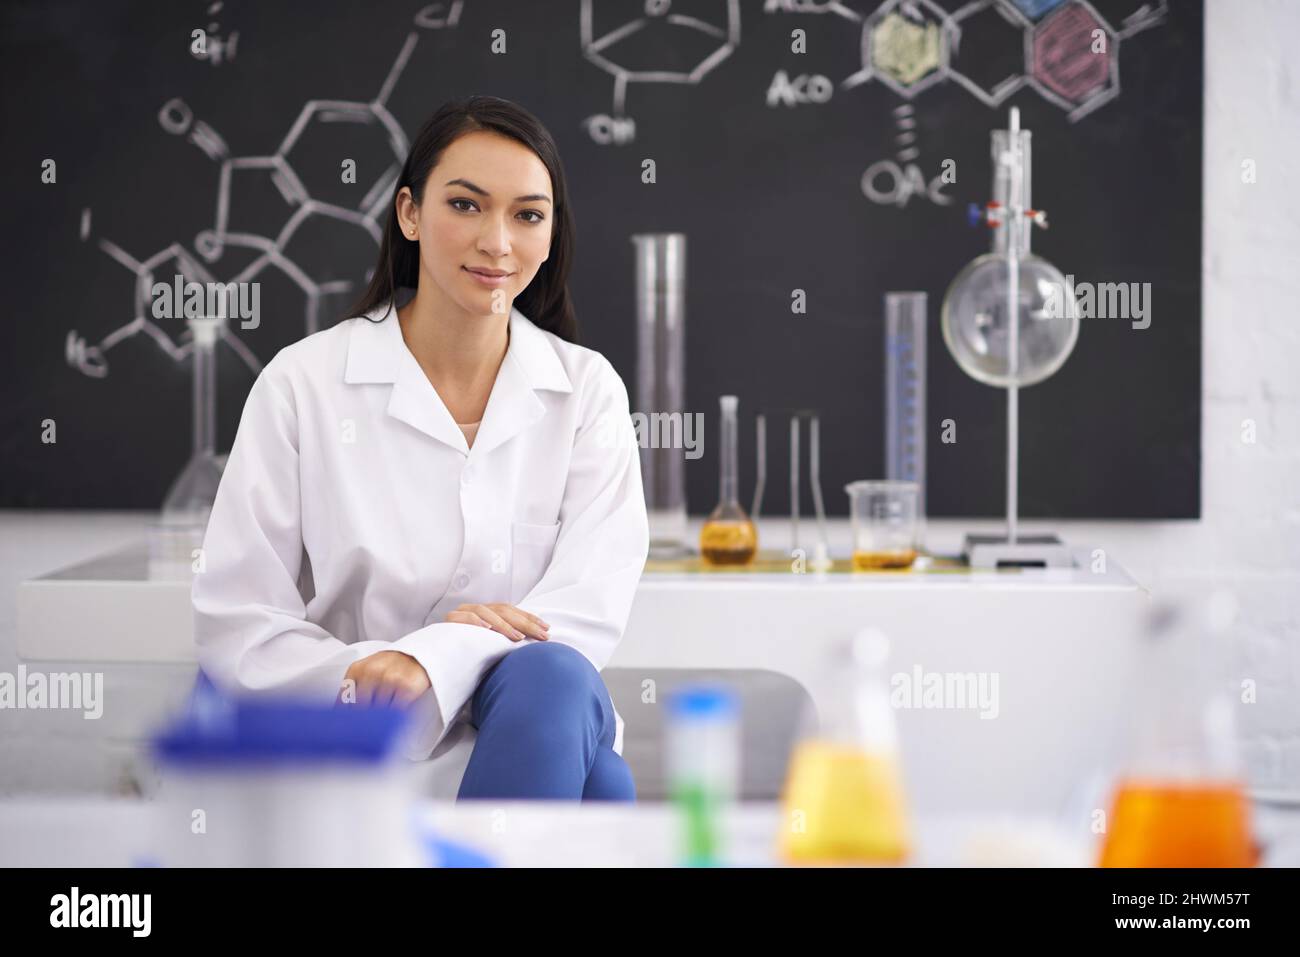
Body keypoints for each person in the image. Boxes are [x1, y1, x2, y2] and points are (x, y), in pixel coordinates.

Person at [192, 95, 649, 801]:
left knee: (552, 677)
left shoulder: (586, 391)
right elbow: (239, 619)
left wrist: (430, 658)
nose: (498, 242)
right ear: (409, 212)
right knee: (604, 784)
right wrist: (379, 672)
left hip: (535, 725)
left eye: (528, 215)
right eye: (466, 205)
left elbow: (583, 614)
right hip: (356, 735)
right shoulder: (304, 383)